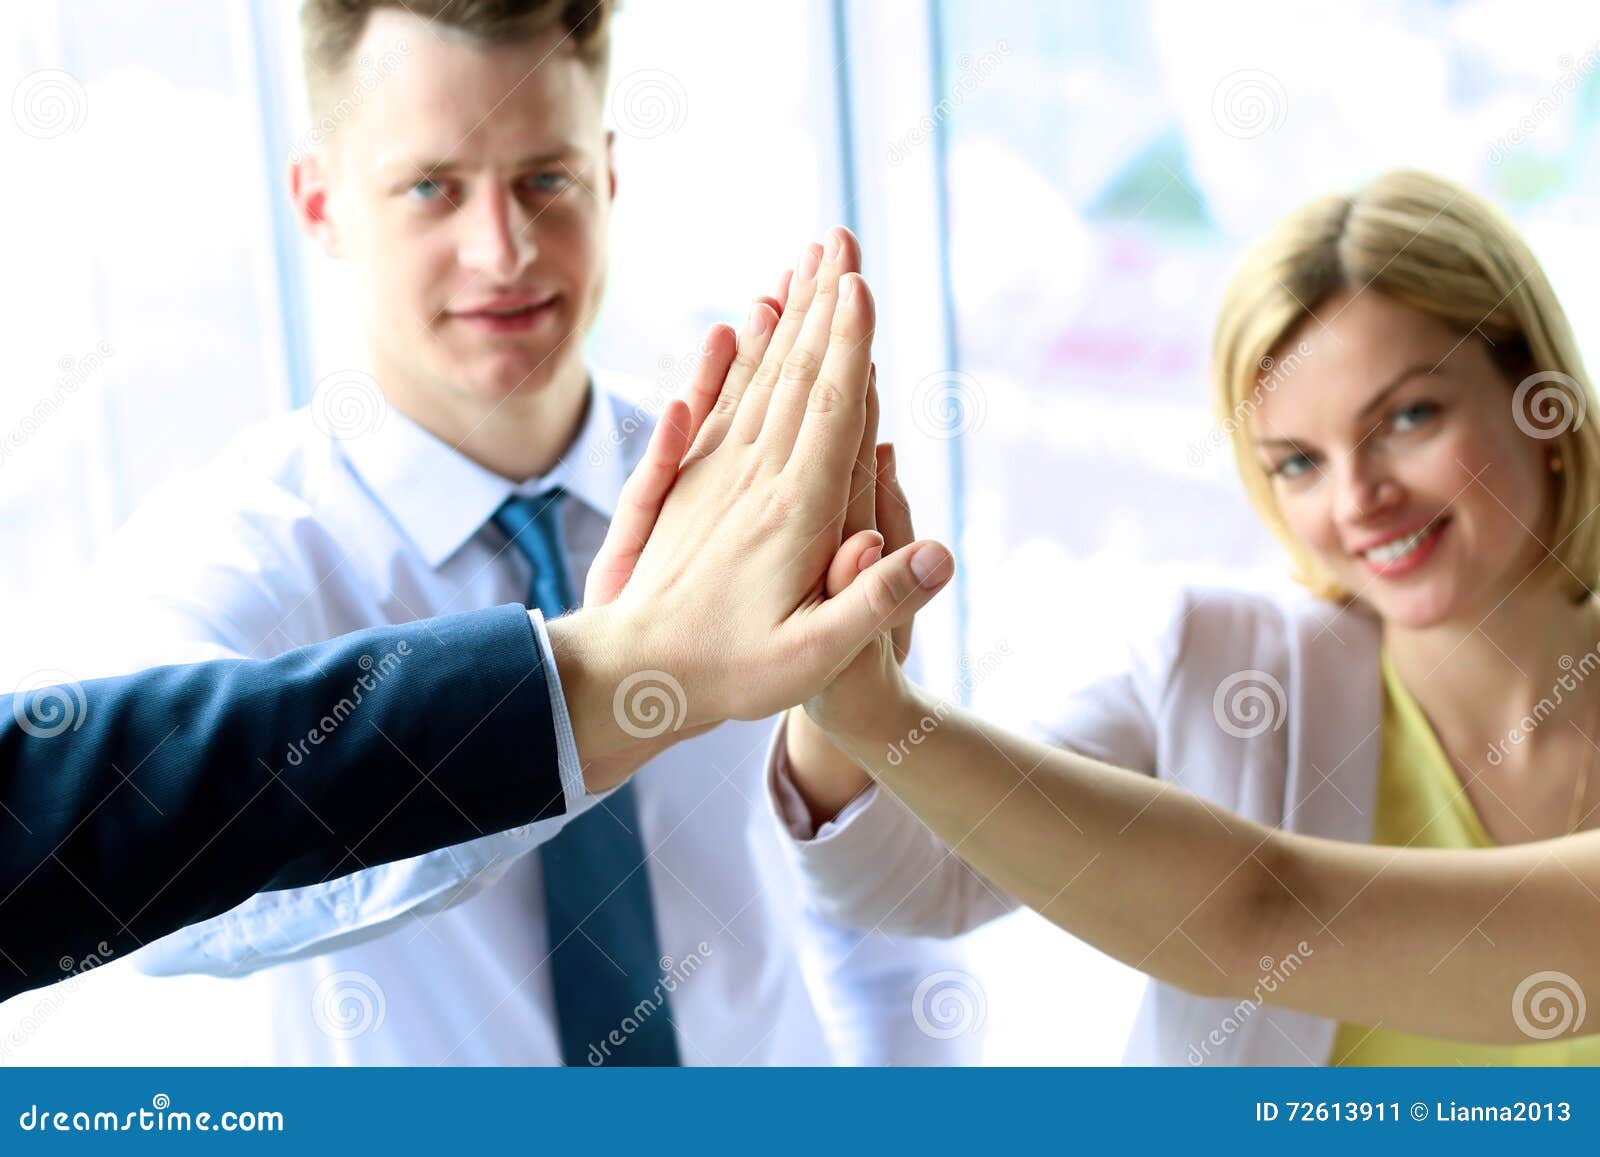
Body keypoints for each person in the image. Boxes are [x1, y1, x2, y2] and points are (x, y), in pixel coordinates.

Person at [39, 0, 967, 1067]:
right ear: (321, 205)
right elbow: (135, 873)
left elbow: (883, 928)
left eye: (545, 179)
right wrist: (606, 691)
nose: (505, 248)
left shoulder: (751, 501)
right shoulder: (230, 554)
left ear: (606, 177)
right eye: (432, 187)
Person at [765, 169, 1600, 1064]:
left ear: (1539, 395)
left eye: (1409, 417)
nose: (1359, 499)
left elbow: (1260, 914)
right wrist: (840, 687)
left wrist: (879, 714)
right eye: (1298, 462)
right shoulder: (1217, 666)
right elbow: (906, 879)